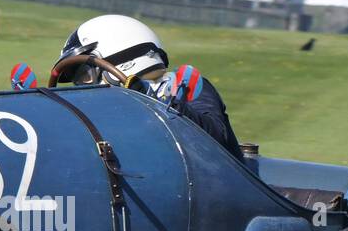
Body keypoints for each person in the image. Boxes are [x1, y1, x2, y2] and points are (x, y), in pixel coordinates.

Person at [49, 14, 242, 157]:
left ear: (120, 63)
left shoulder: (185, 84)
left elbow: (218, 138)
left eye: (84, 75)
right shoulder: (106, 108)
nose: (80, 87)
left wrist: (154, 101)